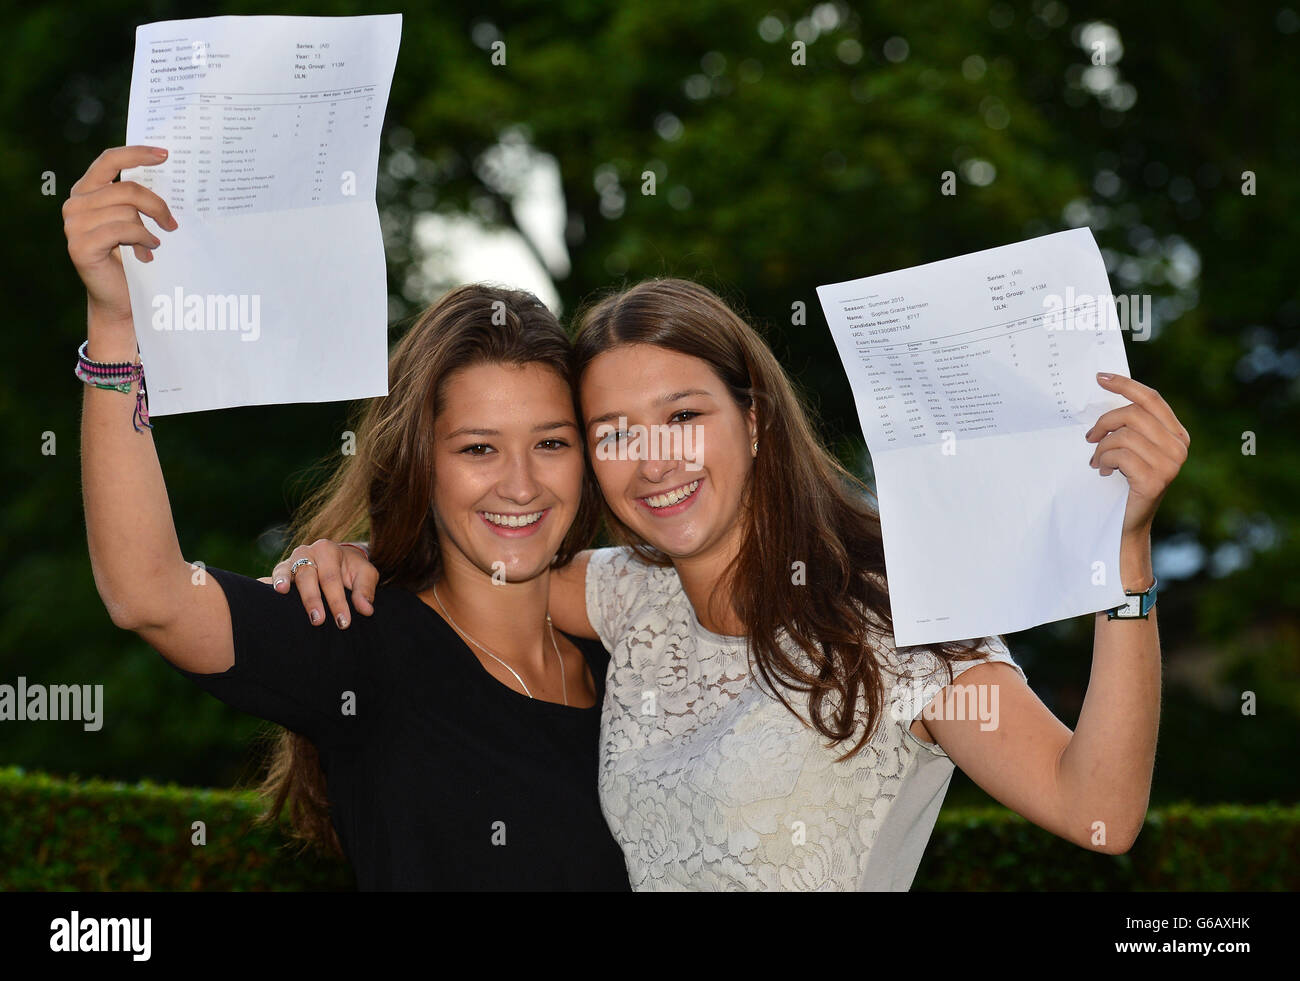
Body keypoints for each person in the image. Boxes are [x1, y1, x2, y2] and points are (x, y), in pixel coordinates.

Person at [276, 278, 1188, 891]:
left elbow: (1099, 812)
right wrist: (355, 556)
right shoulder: (628, 594)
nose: (654, 460)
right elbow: (475, 562)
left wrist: (1127, 564)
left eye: (683, 415)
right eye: (614, 432)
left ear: (752, 421)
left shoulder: (893, 611)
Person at [66, 144, 630, 891]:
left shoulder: (631, 651)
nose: (521, 485)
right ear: (420, 464)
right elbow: (149, 592)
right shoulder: (361, 637)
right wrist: (114, 325)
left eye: (551, 443)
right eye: (478, 448)